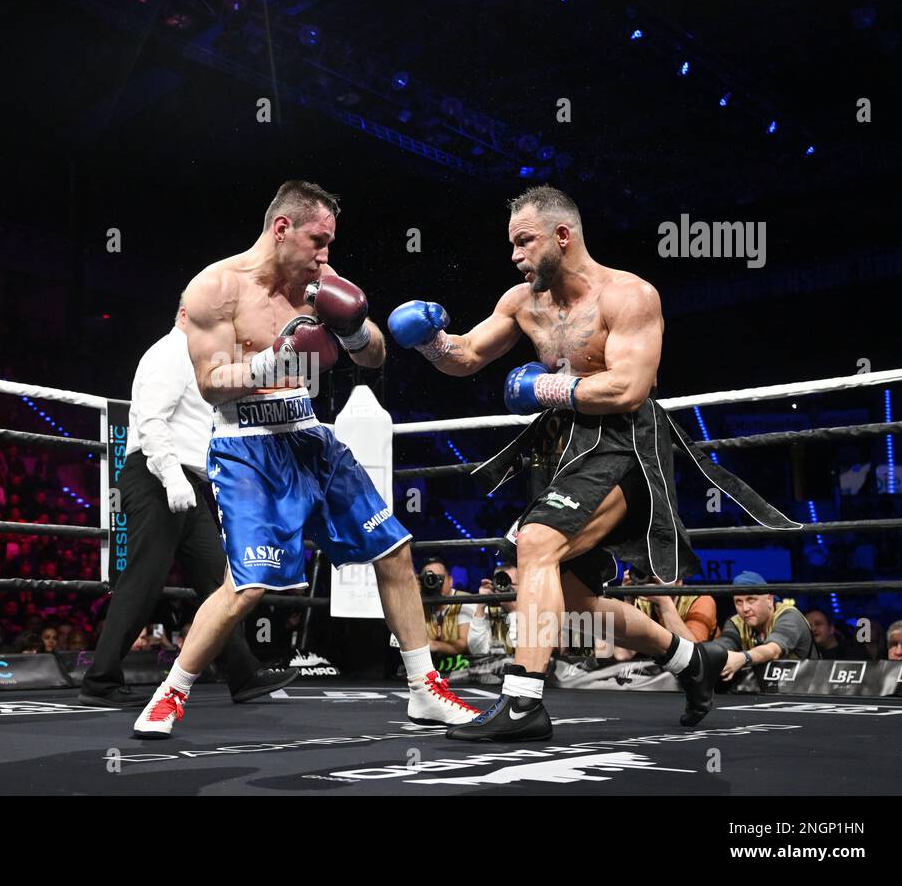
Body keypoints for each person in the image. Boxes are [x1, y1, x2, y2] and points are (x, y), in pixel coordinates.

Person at [388, 186, 797, 742]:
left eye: (523, 241)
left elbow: (629, 387)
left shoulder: (628, 296)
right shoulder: (521, 302)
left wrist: (545, 385)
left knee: (535, 543)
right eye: (511, 243)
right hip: (561, 450)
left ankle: (523, 699)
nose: (514, 255)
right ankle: (690, 662)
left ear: (563, 236)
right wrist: (428, 341)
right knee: (578, 597)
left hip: (624, 446)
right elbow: (466, 356)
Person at [132, 180, 481, 739]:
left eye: (330, 242)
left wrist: (352, 326)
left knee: (394, 549)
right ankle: (171, 692)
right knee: (247, 586)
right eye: (318, 240)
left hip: (310, 437)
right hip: (246, 447)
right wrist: (278, 358)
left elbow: (374, 357)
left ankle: (425, 689)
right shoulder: (214, 289)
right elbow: (212, 385)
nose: (326, 254)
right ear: (281, 229)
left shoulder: (322, 284)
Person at [80, 309, 297, 708]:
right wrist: (171, 476)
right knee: (143, 580)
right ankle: (100, 679)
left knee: (220, 581)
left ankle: (243, 672)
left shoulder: (202, 360)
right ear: (184, 313)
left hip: (190, 483)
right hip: (156, 476)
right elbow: (151, 422)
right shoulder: (168, 352)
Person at [714, 571, 818, 681]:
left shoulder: (790, 616)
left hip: (809, 688)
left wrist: (743, 658)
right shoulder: (736, 622)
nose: (745, 608)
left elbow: (773, 650)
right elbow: (722, 647)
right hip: (765, 692)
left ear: (769, 600)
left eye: (751, 600)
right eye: (739, 602)